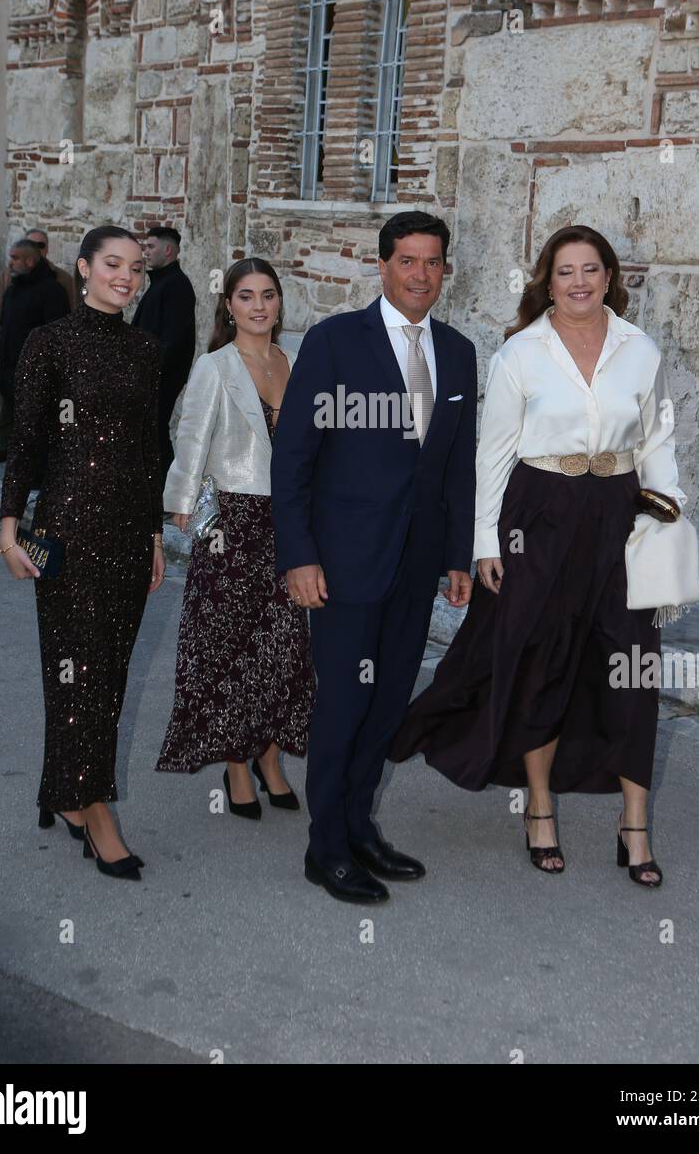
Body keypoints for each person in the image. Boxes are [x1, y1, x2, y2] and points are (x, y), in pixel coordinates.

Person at [390, 225, 688, 888]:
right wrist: (487, 544)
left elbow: (659, 444)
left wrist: (667, 524)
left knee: (634, 666)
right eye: (564, 272)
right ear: (546, 282)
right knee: (541, 663)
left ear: (609, 277)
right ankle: (540, 807)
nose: (578, 282)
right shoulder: (521, 354)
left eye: (590, 269)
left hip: (619, 512)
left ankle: (633, 826)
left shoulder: (639, 350)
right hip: (540, 513)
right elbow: (491, 456)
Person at [271, 211, 478, 905]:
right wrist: (298, 556)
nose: (421, 275)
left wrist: (457, 556)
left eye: (433, 263)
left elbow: (454, 468)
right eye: (408, 261)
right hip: (343, 563)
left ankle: (360, 826)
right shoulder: (334, 343)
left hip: (417, 565)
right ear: (383, 266)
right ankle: (323, 846)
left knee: (388, 702)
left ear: (445, 270)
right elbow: (293, 457)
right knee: (344, 704)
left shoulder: (457, 351)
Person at [0, 225, 165, 881]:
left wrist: (154, 534)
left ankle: (62, 790)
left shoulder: (146, 349)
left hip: (127, 534)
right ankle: (95, 811)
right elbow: (28, 438)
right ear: (85, 267)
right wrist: (9, 525)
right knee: (76, 672)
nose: (126, 276)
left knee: (109, 673)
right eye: (113, 264)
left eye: (136, 267)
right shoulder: (50, 343)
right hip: (67, 530)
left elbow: (150, 450)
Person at [157, 258, 315, 817]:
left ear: (278, 303)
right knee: (227, 649)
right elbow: (191, 438)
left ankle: (270, 755)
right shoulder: (214, 367)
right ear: (229, 305)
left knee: (282, 648)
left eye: (268, 295)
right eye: (245, 296)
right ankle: (236, 764)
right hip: (231, 524)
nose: (258, 306)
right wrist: (195, 517)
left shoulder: (294, 362)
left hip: (289, 524)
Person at [0, 226, 77, 459]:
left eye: (16, 258)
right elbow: (0, 314)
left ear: (30, 261)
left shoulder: (55, 286)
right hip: (9, 362)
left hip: (34, 366)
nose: (11, 262)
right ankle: (7, 451)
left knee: (34, 420)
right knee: (9, 410)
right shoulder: (13, 285)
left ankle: (33, 466)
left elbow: (58, 327)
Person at [132, 226, 196, 480]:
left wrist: (149, 371)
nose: (145, 252)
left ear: (168, 250)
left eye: (151, 247)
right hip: (150, 373)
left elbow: (172, 339)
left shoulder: (177, 285)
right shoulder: (162, 283)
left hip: (160, 376)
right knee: (149, 432)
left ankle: (165, 492)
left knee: (154, 431)